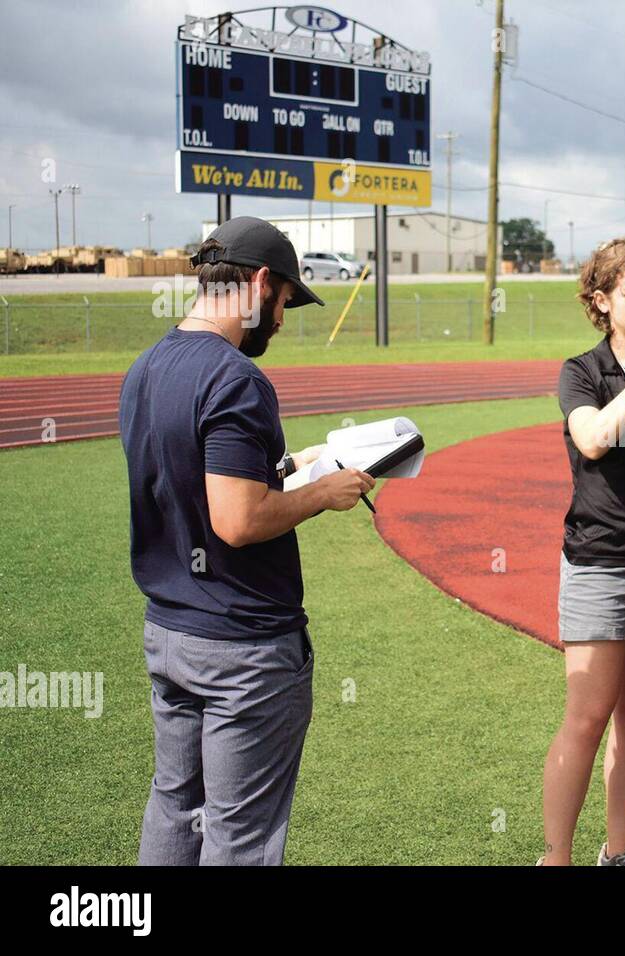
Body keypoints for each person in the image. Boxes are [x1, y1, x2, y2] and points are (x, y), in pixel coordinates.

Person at [119, 217, 375, 865]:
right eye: (286, 299)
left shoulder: (147, 367)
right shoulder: (236, 378)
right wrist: (325, 493)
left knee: (176, 806)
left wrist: (288, 469)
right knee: (240, 834)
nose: (283, 319)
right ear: (261, 282)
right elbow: (234, 522)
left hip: (170, 632)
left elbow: (191, 485)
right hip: (243, 647)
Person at [540, 239, 625, 866]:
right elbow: (591, 439)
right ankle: (555, 857)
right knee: (587, 718)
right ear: (601, 301)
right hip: (599, 559)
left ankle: (621, 851)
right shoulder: (582, 370)